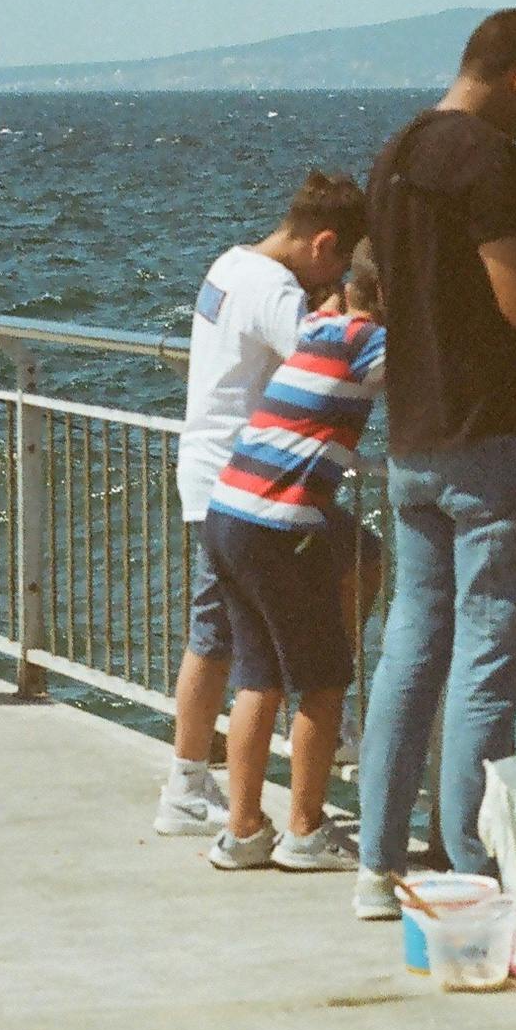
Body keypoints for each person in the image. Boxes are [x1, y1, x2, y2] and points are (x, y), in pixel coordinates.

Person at [353, 8, 516, 920]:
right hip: (497, 445)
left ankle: (377, 867)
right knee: (484, 670)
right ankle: (470, 871)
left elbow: (391, 288)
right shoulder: (490, 160)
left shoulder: (396, 155)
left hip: (414, 442)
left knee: (409, 654)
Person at [154, 168, 369, 835]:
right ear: (324, 243)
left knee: (355, 556)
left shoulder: (232, 262)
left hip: (215, 478)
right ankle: (195, 781)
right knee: (225, 640)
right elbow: (328, 356)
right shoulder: (277, 288)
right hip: (252, 488)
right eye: (335, 268)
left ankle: (194, 778)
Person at [203, 243, 387, 872]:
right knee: (323, 679)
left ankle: (243, 829)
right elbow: (442, 370)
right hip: (283, 526)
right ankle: (306, 831)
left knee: (258, 676)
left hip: (228, 511)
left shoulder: (322, 328)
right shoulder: (365, 340)